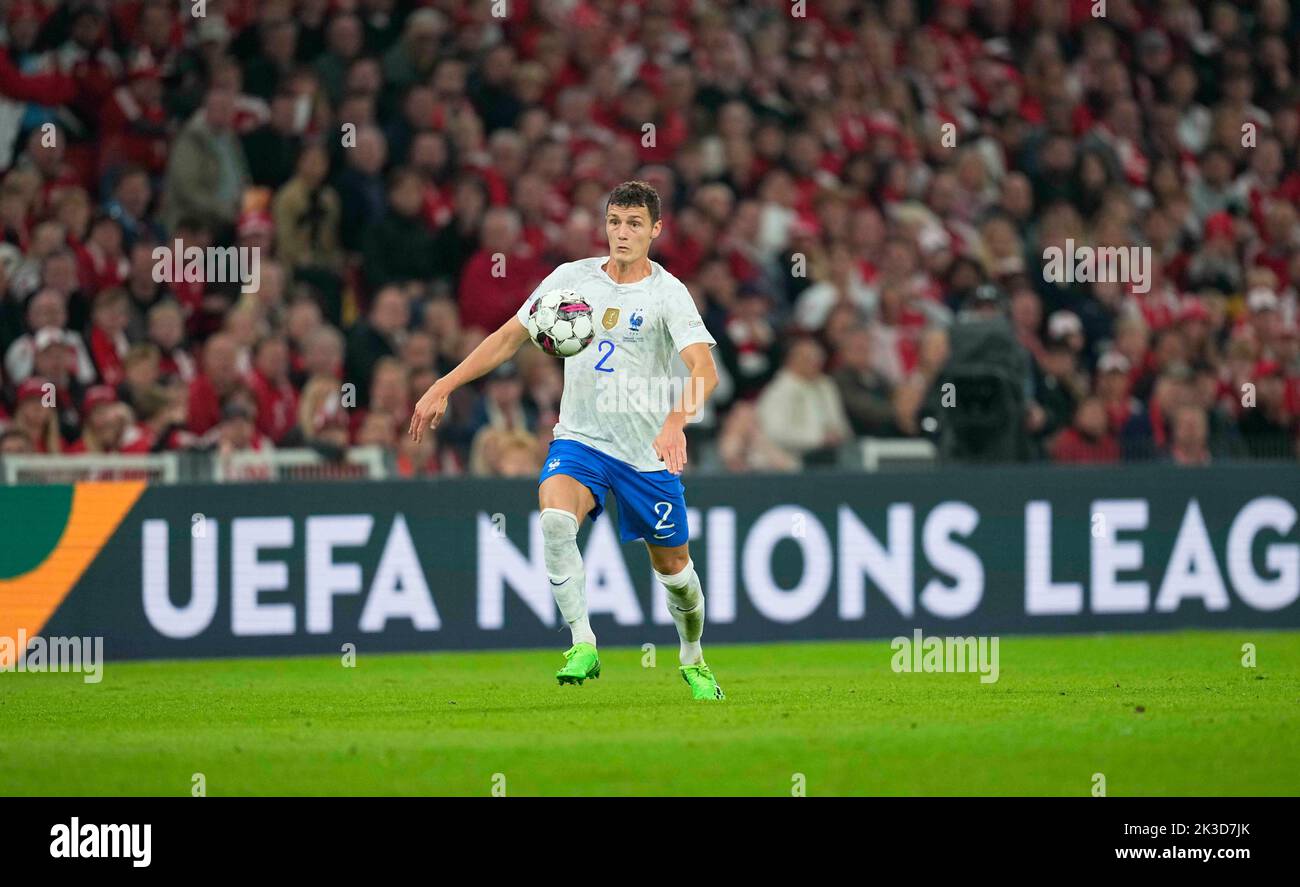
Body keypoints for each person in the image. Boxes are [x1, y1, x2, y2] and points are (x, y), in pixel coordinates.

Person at [410, 181, 725, 700]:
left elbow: (704, 370)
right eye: (615, 221)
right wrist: (444, 384)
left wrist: (675, 421)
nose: (622, 233)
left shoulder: (667, 293)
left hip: (646, 453)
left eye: (634, 225)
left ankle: (692, 658)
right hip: (580, 439)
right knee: (556, 522)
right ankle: (582, 641)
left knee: (676, 573)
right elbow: (510, 336)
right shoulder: (571, 281)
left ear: (656, 231)